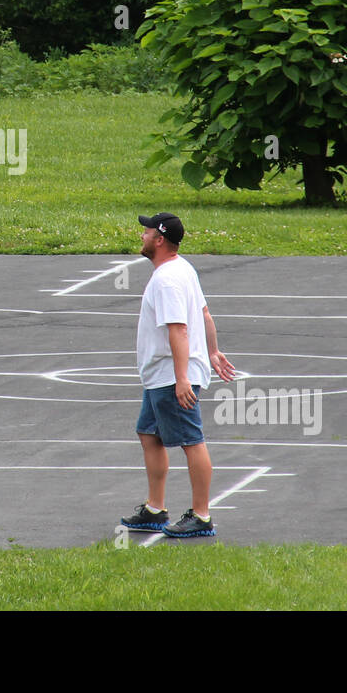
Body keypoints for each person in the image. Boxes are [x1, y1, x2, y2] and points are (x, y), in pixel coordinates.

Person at [121, 212, 235, 537]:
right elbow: (205, 313)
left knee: (190, 441)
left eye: (145, 232)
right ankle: (155, 509)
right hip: (161, 374)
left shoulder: (167, 279)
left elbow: (179, 330)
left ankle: (201, 515)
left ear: (159, 239)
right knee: (149, 434)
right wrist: (213, 351)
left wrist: (182, 377)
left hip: (171, 376)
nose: (141, 236)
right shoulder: (182, 268)